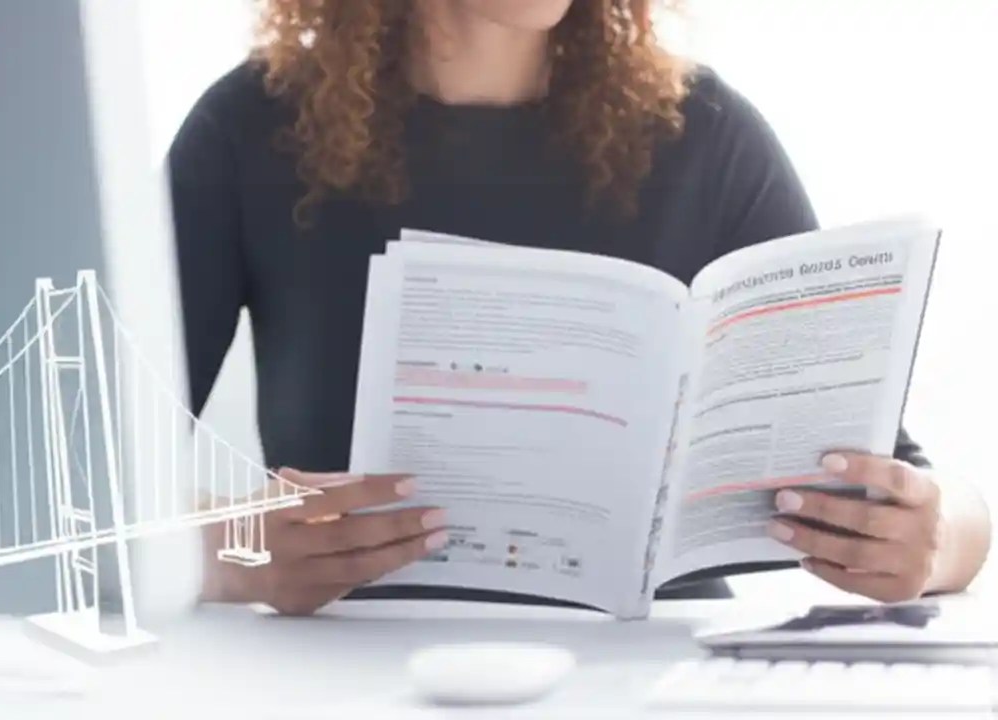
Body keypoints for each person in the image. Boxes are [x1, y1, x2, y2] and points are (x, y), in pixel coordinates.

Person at [168, 0, 992, 616]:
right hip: (350, 685)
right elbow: (76, 502)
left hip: (655, 683)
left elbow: (920, 494)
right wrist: (240, 551)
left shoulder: (707, 135)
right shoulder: (246, 132)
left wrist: (931, 540)